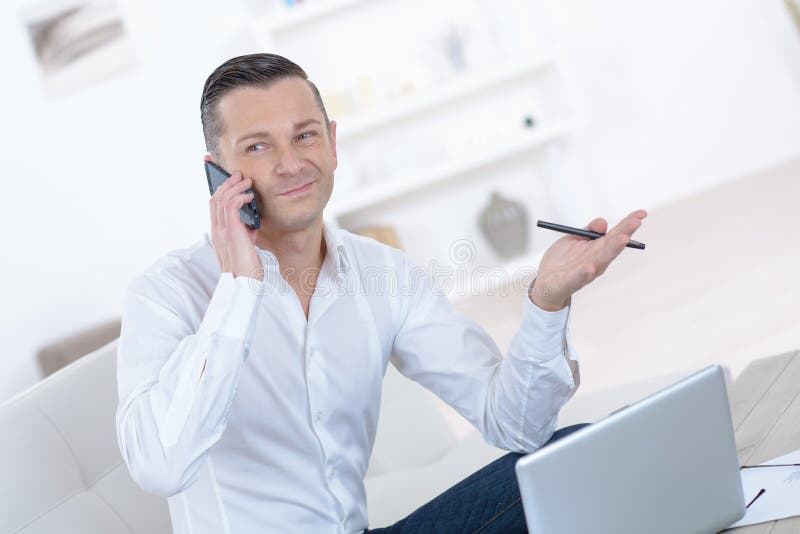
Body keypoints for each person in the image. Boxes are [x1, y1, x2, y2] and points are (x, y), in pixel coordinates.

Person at [115, 53, 646, 534]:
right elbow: (161, 467)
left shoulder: (381, 273)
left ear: (333, 143)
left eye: (305, 136)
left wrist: (547, 299)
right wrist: (238, 288)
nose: (291, 163)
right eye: (258, 146)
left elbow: (516, 425)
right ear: (217, 173)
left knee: (571, 455)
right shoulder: (166, 294)